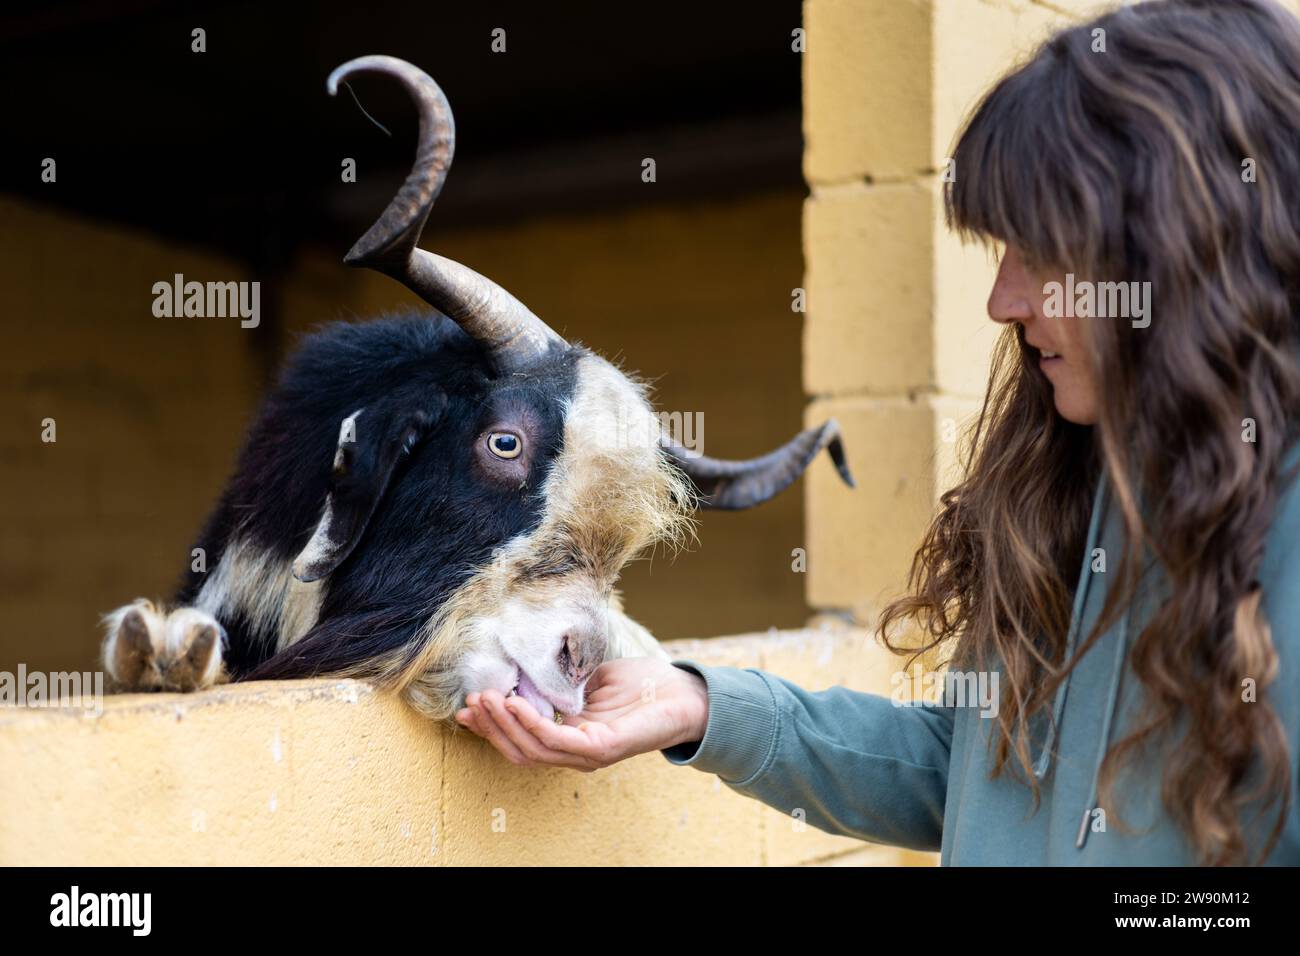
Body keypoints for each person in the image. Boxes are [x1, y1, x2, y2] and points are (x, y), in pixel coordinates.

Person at [454, 0, 1300, 865]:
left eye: (1042, 255)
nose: (1002, 302)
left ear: (1183, 250)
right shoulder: (1078, 472)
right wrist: (705, 708)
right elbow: (977, 783)